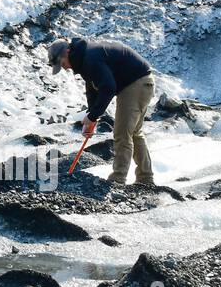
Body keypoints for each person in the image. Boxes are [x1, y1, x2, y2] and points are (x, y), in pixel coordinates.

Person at [47, 37, 155, 186]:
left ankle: (118, 179)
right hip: (140, 82)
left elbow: (108, 88)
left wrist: (92, 116)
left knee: (122, 133)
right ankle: (146, 179)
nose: (64, 68)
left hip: (136, 83)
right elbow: (92, 88)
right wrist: (92, 116)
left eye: (62, 64)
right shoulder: (84, 57)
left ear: (67, 52)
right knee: (134, 132)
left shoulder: (90, 58)